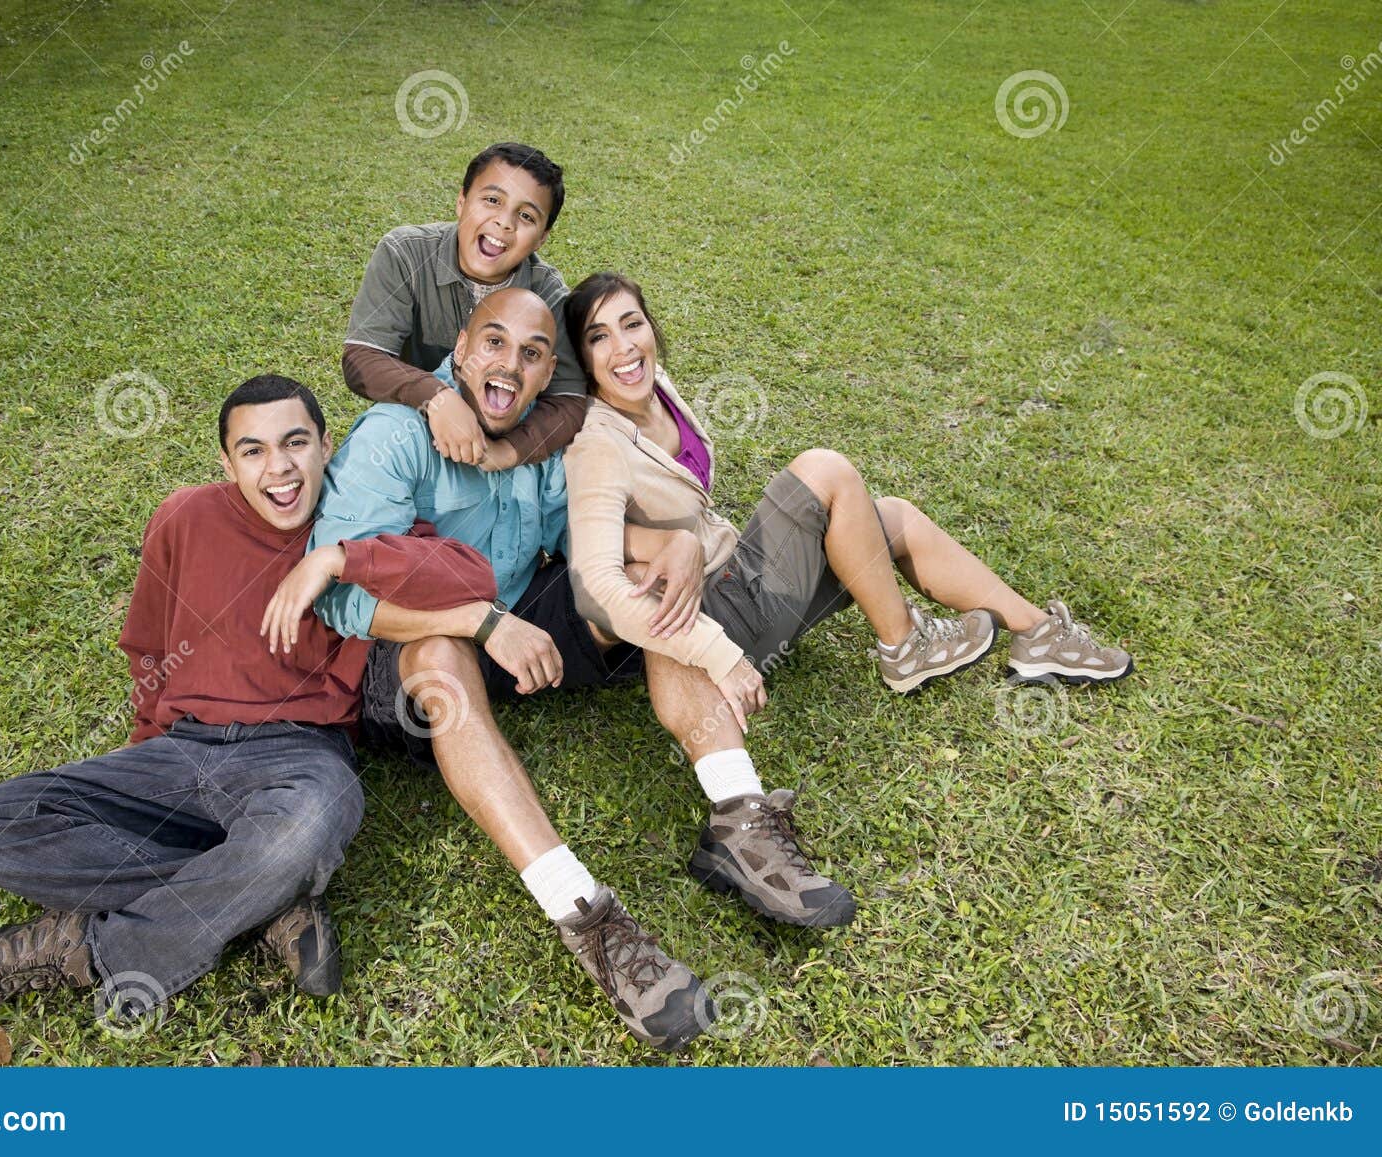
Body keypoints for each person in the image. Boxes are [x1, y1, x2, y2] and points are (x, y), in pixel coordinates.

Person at [266, 288, 858, 1051]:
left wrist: (671, 544)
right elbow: (343, 599)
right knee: (443, 658)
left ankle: (738, 815)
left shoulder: (540, 448)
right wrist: (483, 623)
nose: (509, 365)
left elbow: (590, 540)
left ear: (550, 375)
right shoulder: (394, 435)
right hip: (396, 659)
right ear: (461, 347)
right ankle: (587, 916)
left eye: (534, 353)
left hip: (508, 621)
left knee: (646, 585)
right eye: (494, 343)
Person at [0, 374, 496, 1027]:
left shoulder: (361, 521)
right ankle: (265, 898)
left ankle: (89, 948)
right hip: (180, 750)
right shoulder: (184, 518)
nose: (279, 467)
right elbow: (148, 647)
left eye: (295, 443)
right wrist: (148, 750)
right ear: (227, 463)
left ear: (325, 445)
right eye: (253, 450)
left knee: (305, 827)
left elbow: (470, 575)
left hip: (299, 757)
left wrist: (339, 559)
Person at [561, 271, 1134, 712]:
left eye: (632, 324)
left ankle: (1038, 636)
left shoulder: (656, 385)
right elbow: (594, 582)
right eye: (599, 337)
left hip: (747, 584)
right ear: (583, 359)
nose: (624, 348)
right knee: (825, 470)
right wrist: (712, 649)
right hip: (719, 617)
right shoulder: (597, 445)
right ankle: (904, 648)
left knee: (895, 517)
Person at [342, 141, 587, 470]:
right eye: (491, 200)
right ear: (461, 201)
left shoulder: (548, 294)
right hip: (416, 432)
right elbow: (362, 357)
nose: (504, 223)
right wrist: (437, 397)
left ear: (542, 238)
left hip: (502, 440)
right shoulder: (405, 253)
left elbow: (569, 401)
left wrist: (507, 453)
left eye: (526, 216)